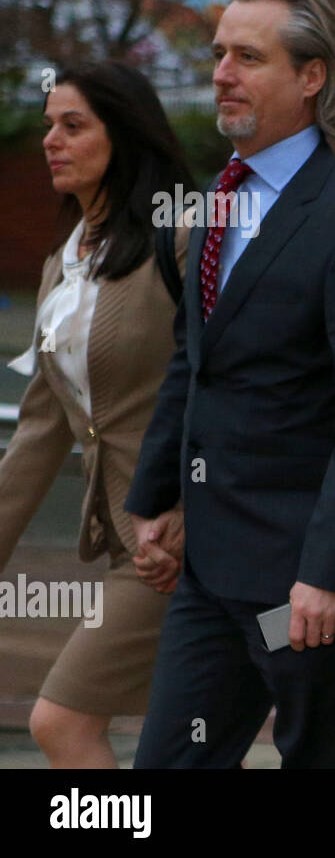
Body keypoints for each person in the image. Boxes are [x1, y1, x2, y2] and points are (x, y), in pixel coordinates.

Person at [124, 0, 335, 768]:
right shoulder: (211, 204)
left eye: (248, 56)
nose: (221, 71)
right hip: (211, 572)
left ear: (311, 76)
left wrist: (323, 576)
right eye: (219, 52)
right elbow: (196, 359)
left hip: (309, 585)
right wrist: (155, 498)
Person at [0, 62, 194, 768]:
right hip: (125, 542)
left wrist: (183, 510)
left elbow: (228, 390)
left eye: (73, 125)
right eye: (49, 123)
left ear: (126, 136)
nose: (52, 138)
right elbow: (38, 435)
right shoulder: (63, 266)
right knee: (194, 745)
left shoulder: (182, 239)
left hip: (181, 545)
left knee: (60, 721)